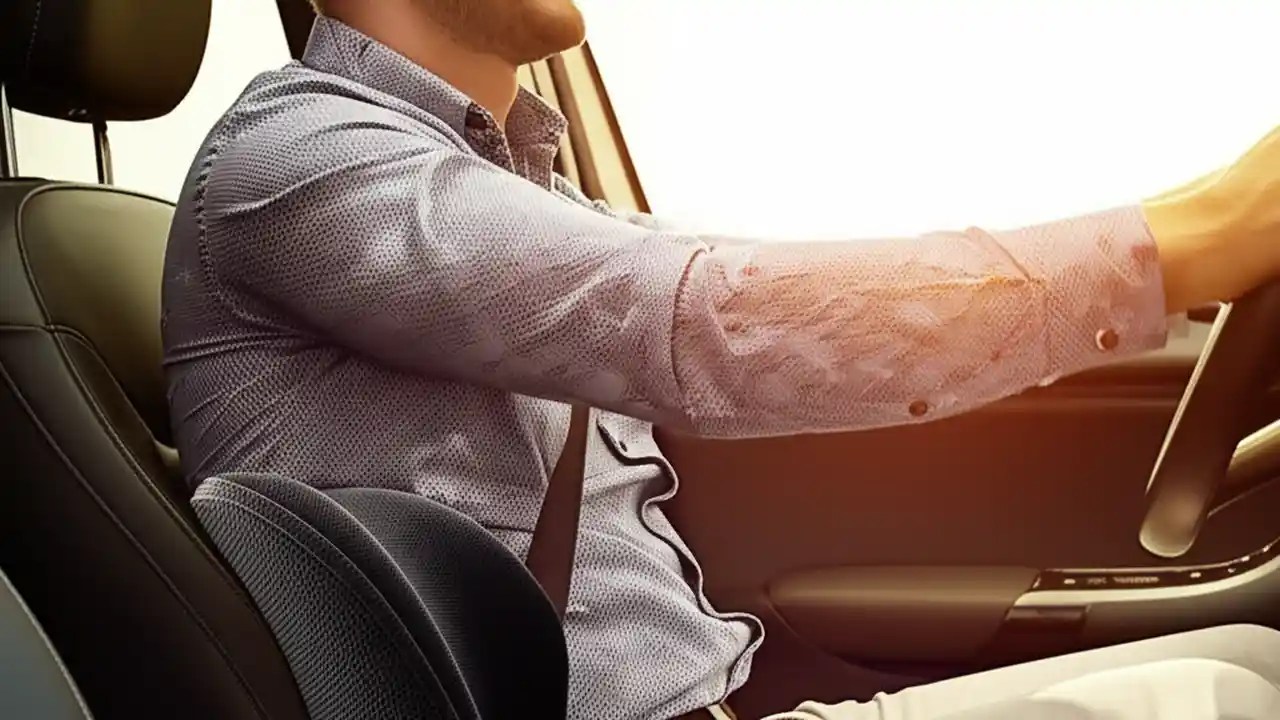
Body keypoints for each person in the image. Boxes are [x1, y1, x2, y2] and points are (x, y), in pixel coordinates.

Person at [161, 0, 1280, 718]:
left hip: (718, 708)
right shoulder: (299, 157)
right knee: (1225, 700)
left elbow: (746, 283)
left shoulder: (518, 191)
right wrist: (1175, 247)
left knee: (1243, 666)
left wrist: (1197, 219)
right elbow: (697, 322)